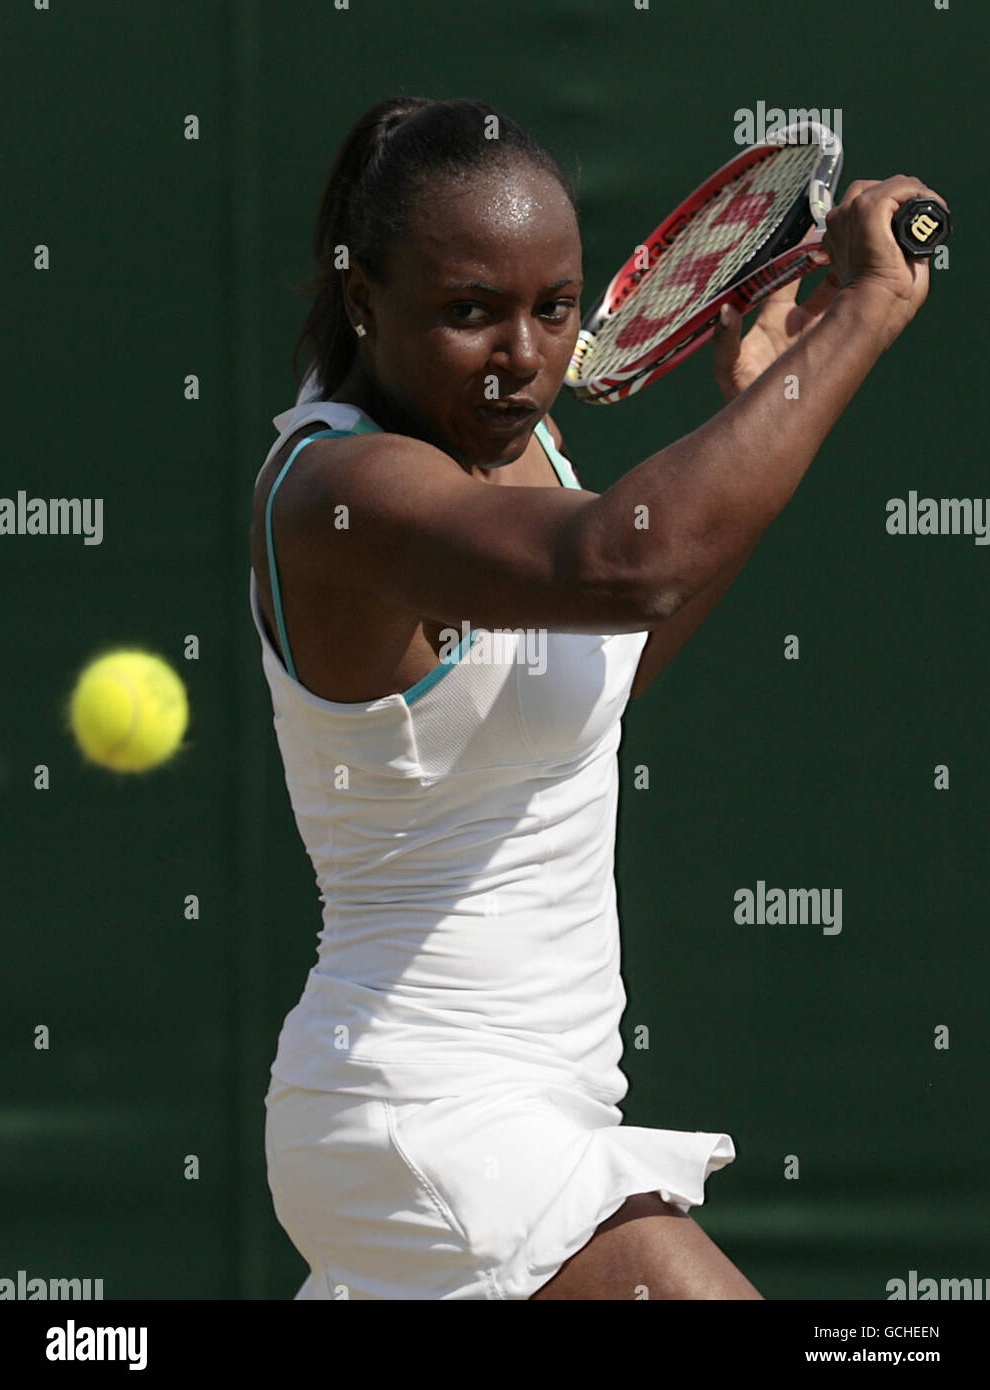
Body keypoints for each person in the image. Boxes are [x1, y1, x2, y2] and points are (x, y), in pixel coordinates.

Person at [252, 95, 943, 1300]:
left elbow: (613, 647)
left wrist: (755, 405)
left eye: (553, 310)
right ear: (364, 300)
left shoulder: (515, 437)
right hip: (423, 1111)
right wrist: (868, 314)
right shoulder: (339, 492)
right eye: (470, 312)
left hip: (542, 1098)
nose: (524, 356)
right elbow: (628, 563)